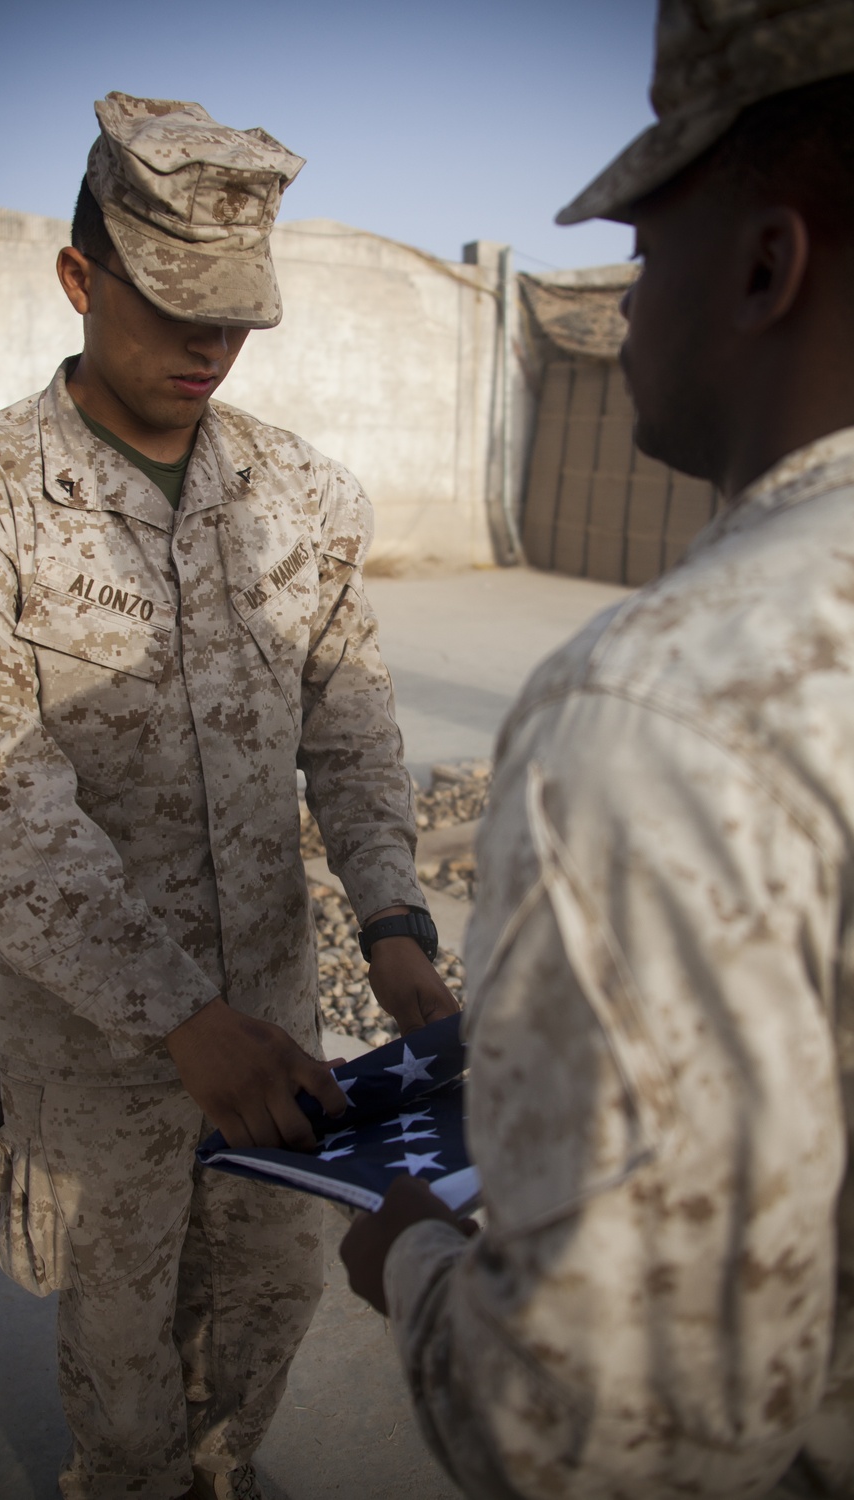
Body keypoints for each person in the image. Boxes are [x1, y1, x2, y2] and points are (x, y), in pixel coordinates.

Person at [0, 93, 457, 1500]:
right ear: (82, 280)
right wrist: (175, 1018)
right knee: (123, 1384)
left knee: (262, 1328)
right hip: (87, 1049)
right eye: (174, 305)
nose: (211, 345)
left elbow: (352, 725)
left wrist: (391, 922)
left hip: (274, 1023)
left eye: (238, 315)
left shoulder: (303, 499)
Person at [341, 3, 854, 1496]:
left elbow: (613, 1441)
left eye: (642, 254)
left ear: (766, 264)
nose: (625, 311)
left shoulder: (661, 703)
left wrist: (416, 1260)